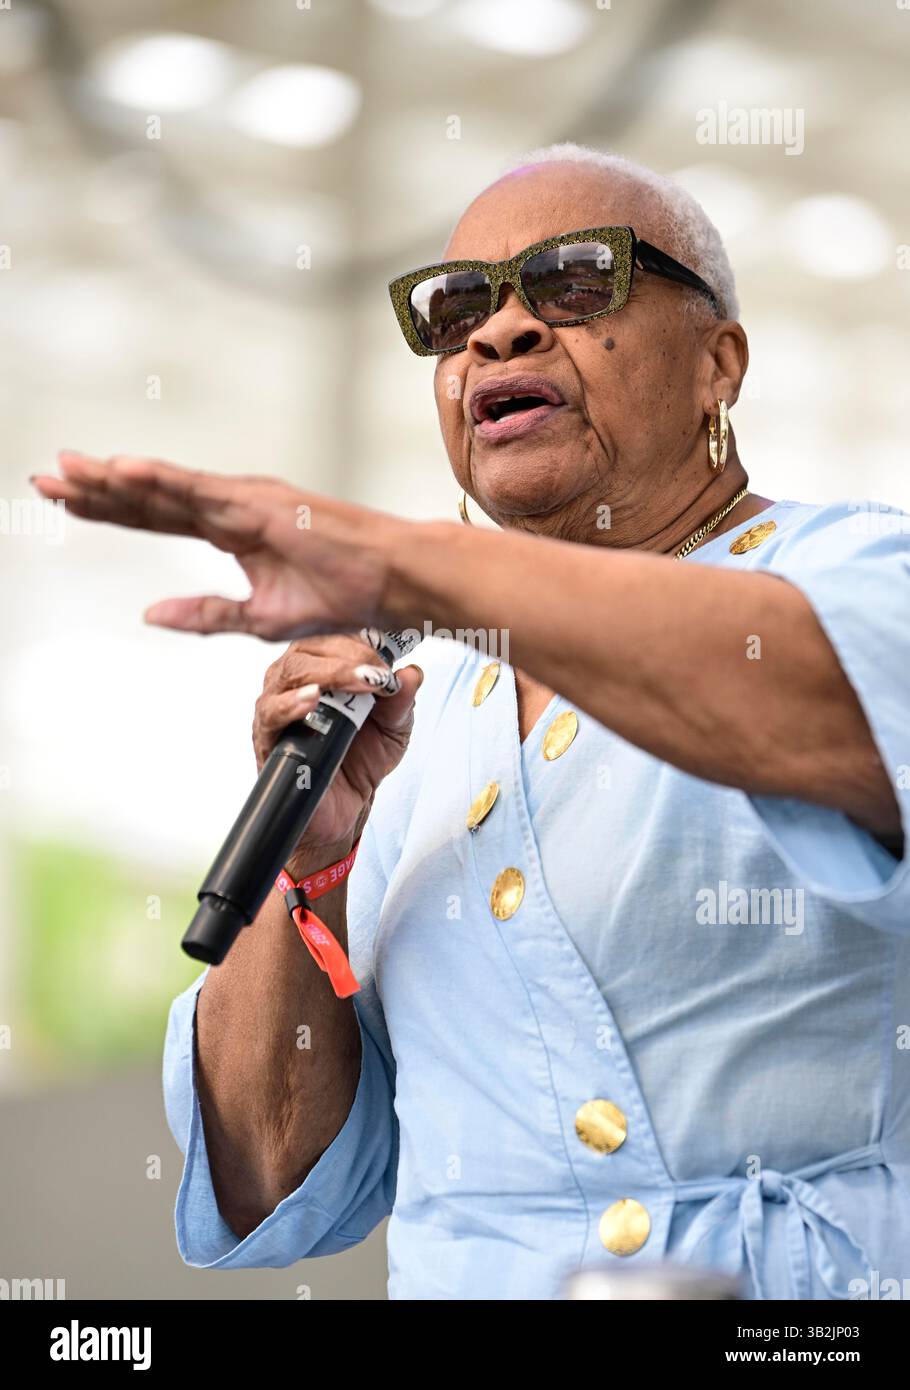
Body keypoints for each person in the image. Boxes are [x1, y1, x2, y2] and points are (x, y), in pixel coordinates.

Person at [33, 145, 910, 1300]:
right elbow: (262, 1171)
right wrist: (316, 866)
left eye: (575, 283)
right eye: (458, 309)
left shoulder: (856, 577)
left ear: (718, 364)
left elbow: (828, 698)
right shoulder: (408, 707)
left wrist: (415, 564)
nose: (498, 333)